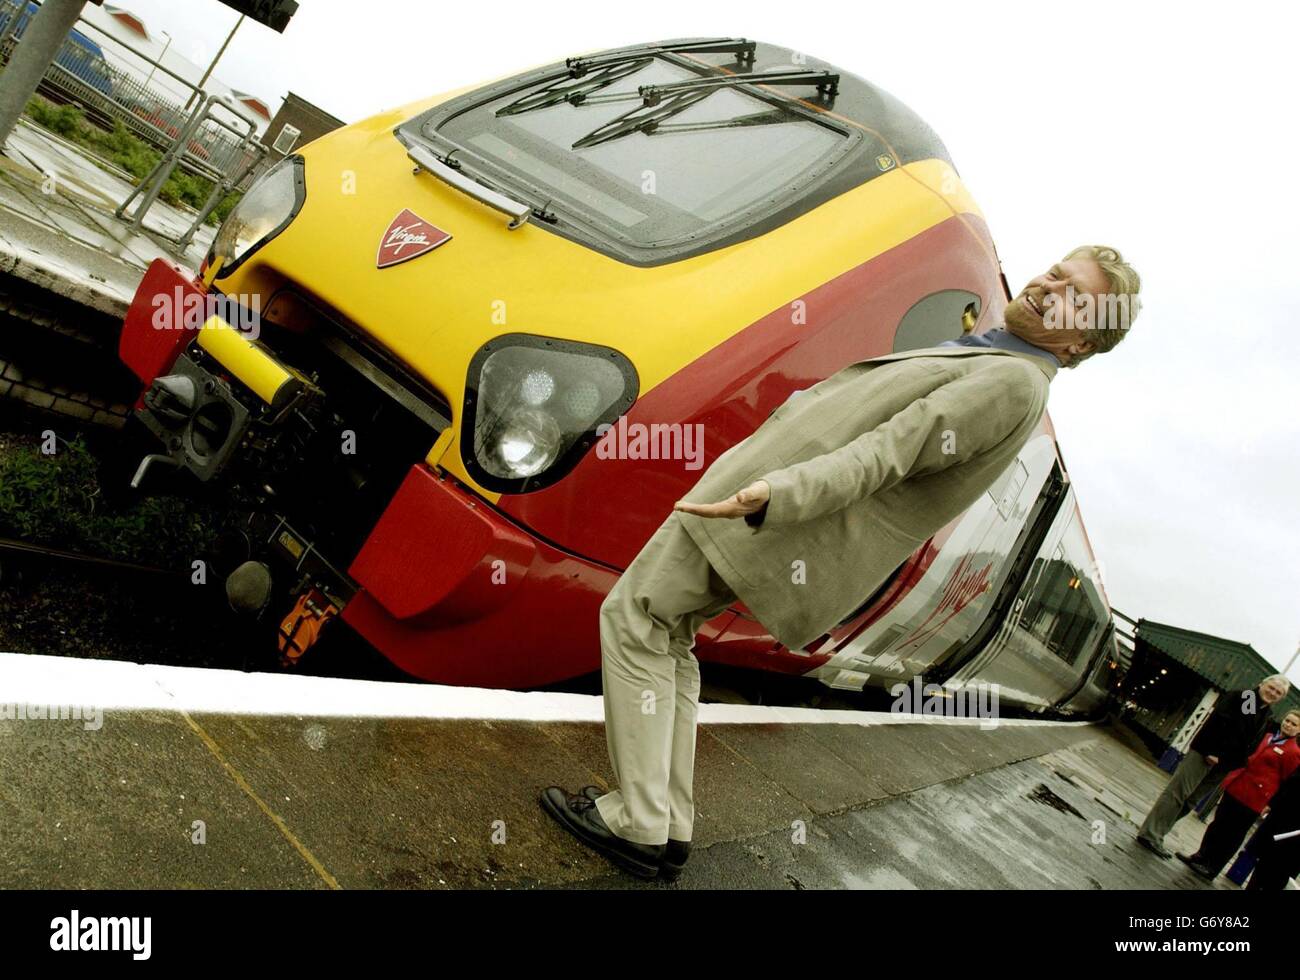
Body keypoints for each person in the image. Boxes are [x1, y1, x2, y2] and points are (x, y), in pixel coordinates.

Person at [540, 245, 1142, 880]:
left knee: (635, 617)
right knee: (669, 637)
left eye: (1075, 295)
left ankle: (636, 820)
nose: (1050, 287)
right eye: (1056, 271)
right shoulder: (998, 356)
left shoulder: (1011, 381)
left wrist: (778, 494)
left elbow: (891, 452)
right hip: (769, 514)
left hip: (769, 515)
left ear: (1080, 343)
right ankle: (664, 821)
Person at [1137, 675, 1291, 859]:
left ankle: (1158, 833)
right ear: (1262, 684)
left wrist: (1234, 763)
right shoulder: (1246, 698)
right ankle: (1150, 834)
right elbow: (1228, 726)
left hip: (1224, 764)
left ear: (1281, 697)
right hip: (1208, 754)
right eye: (1271, 687)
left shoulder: (1266, 714)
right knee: (1178, 794)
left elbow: (1248, 740)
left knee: (1190, 801)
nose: (1273, 693)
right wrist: (1213, 751)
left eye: (1278, 692)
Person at [1177, 709, 1300, 880]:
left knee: (1232, 834)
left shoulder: (1294, 752)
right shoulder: (1268, 737)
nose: (1288, 725)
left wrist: (1270, 804)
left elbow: (1286, 781)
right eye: (1287, 720)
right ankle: (1201, 856)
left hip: (1256, 798)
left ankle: (1212, 867)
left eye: (1294, 724)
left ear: (1299, 730)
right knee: (1218, 824)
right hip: (1238, 786)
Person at [1246, 766, 1300, 890]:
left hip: (1294, 838)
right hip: (1280, 821)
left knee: (1279, 873)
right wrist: (1271, 804)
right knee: (1264, 863)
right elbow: (1288, 784)